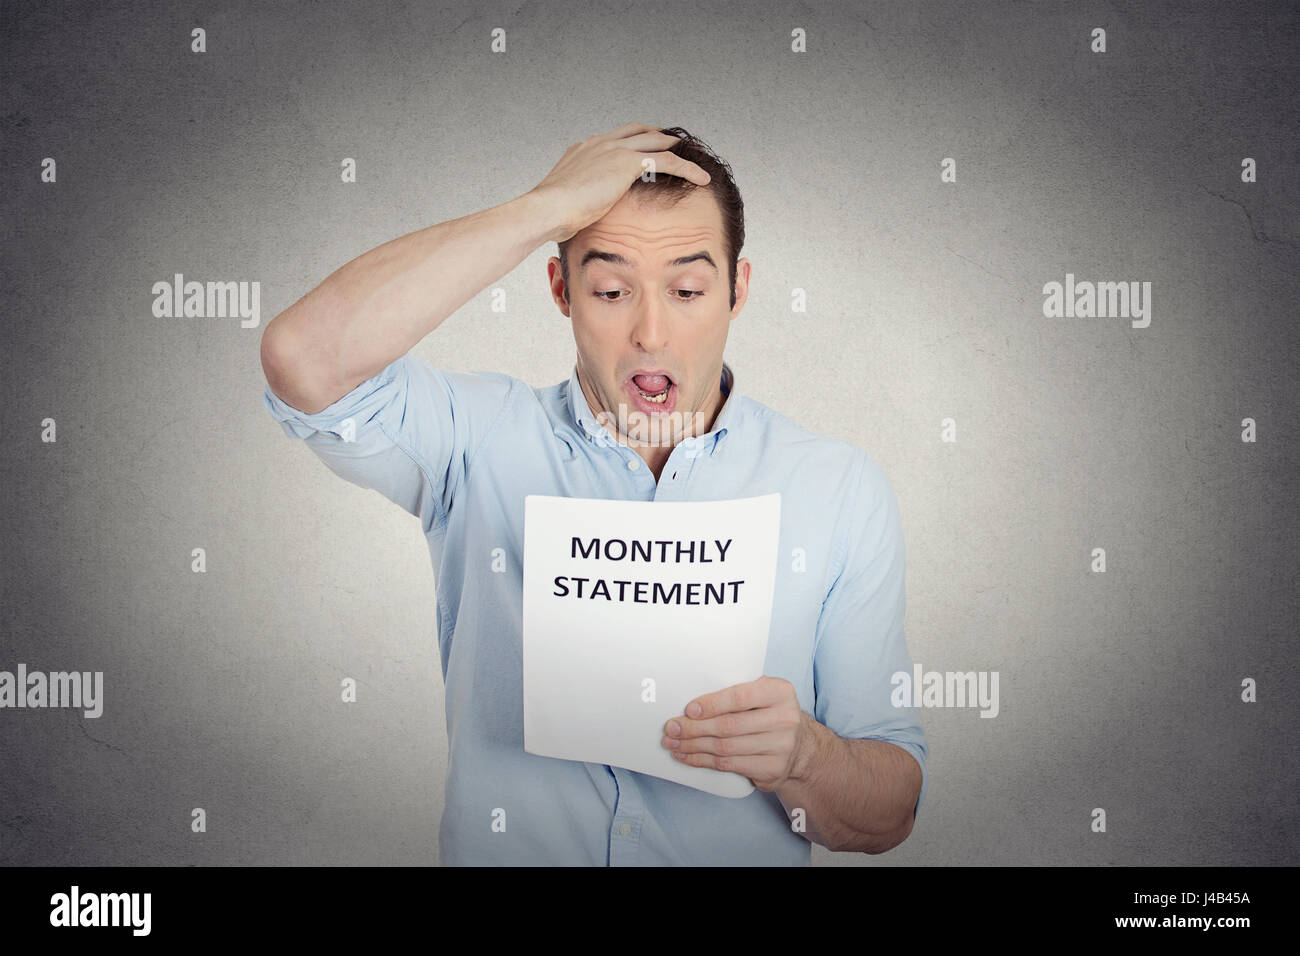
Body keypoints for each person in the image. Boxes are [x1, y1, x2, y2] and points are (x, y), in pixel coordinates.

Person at [260, 122, 928, 865]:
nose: (651, 331)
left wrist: (805, 755)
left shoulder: (838, 488)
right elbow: (304, 358)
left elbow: (889, 811)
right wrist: (543, 208)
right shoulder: (477, 441)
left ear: (738, 291)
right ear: (561, 291)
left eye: (687, 290)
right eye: (610, 289)